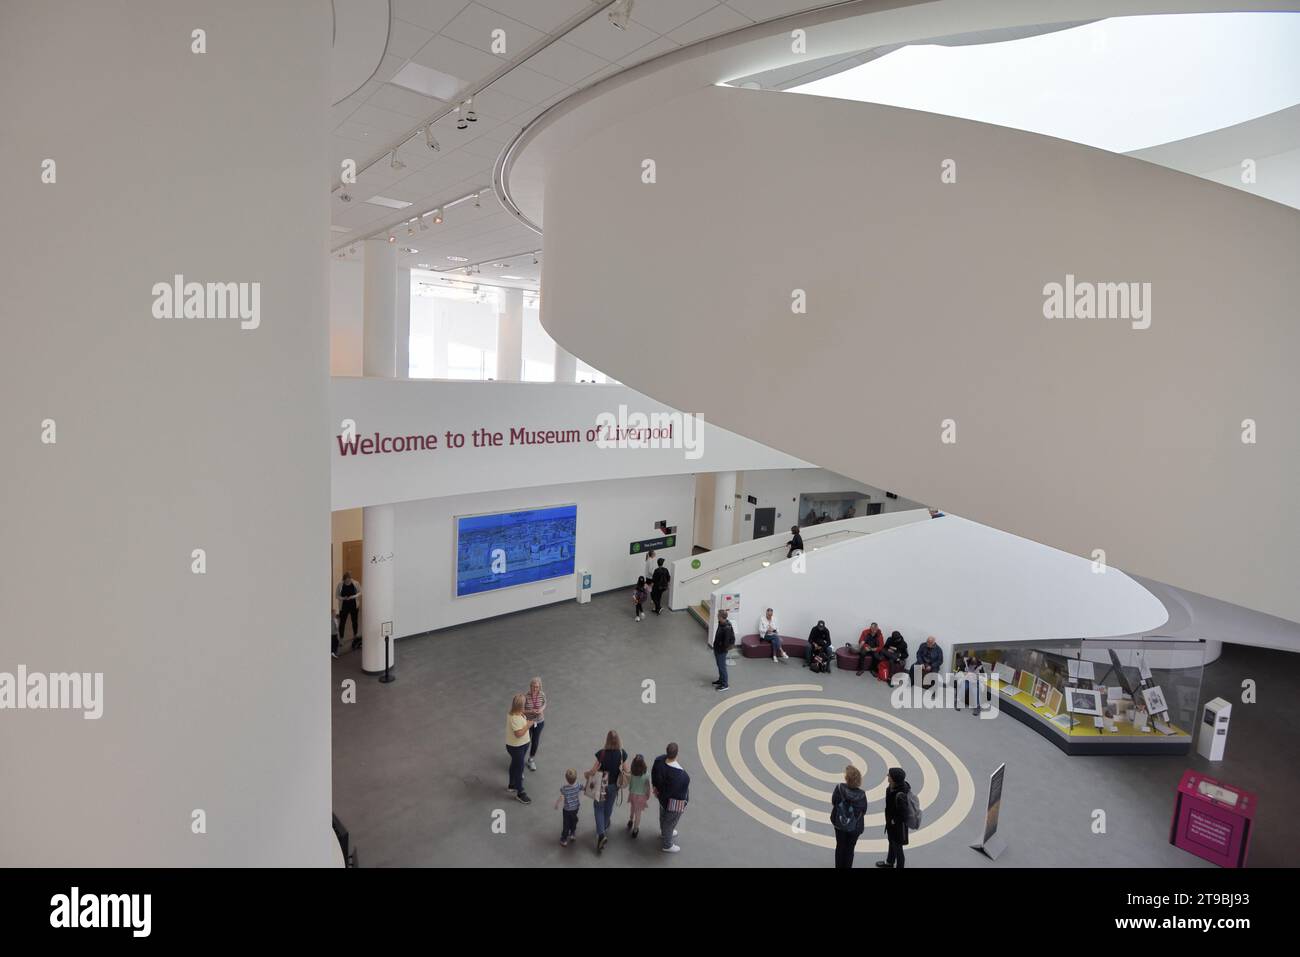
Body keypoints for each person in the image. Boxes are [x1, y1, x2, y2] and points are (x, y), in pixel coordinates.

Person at [585, 731, 628, 854]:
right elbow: (627, 770)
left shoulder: (602, 754)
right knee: (608, 807)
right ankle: (604, 825)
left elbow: (594, 770)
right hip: (614, 785)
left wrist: (587, 775)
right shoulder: (621, 753)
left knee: (598, 808)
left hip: (602, 784)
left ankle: (601, 835)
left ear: (607, 740)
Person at [651, 742, 690, 854]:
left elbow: (654, 775)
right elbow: (682, 794)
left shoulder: (658, 761)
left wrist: (655, 788)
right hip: (673, 804)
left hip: (661, 798)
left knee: (663, 816)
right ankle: (667, 844)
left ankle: (664, 832)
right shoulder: (683, 776)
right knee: (670, 822)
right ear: (677, 754)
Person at [830, 765, 868, 869]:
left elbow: (834, 802)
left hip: (840, 824)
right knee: (850, 849)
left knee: (840, 846)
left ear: (847, 778)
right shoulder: (862, 795)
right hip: (854, 826)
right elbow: (864, 810)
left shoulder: (839, 788)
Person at [877, 767, 912, 868]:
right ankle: (889, 862)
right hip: (891, 824)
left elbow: (904, 814)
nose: (887, 776)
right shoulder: (891, 788)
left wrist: (893, 821)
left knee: (898, 849)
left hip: (897, 827)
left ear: (894, 779)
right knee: (891, 843)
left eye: (889, 775)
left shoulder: (900, 795)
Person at [505, 694, 535, 805]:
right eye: (524, 704)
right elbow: (518, 733)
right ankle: (520, 792)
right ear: (519, 706)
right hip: (516, 747)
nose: (526, 705)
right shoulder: (514, 718)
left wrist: (529, 713)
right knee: (519, 767)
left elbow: (523, 714)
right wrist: (529, 724)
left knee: (514, 764)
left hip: (521, 746)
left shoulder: (517, 713)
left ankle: (511, 785)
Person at [523, 677, 546, 771]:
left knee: (535, 741)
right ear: (530, 686)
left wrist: (541, 709)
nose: (535, 689)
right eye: (533, 687)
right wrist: (530, 711)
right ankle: (521, 759)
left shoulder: (542, 694)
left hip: (539, 722)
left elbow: (545, 703)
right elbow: (522, 710)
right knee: (526, 742)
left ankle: (531, 759)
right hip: (528, 722)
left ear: (540, 687)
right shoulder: (525, 696)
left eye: (537, 687)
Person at [626, 754, 650, 838]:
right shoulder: (646, 775)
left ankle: (630, 820)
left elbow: (629, 781)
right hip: (641, 797)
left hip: (632, 794)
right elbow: (647, 786)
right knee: (638, 814)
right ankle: (635, 829)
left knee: (632, 808)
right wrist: (648, 794)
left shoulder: (632, 773)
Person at [555, 768, 581, 846]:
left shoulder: (564, 788)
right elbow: (584, 788)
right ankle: (572, 834)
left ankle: (564, 839)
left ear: (566, 778)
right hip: (575, 808)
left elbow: (561, 796)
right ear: (576, 778)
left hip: (567, 810)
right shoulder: (578, 785)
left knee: (566, 824)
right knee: (573, 820)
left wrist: (557, 803)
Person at [336, 571, 361, 649]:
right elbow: (337, 596)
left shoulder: (356, 583)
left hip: (354, 605)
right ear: (344, 579)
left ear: (351, 578)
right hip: (344, 606)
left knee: (354, 621)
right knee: (342, 623)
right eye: (346, 580)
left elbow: (360, 592)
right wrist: (343, 598)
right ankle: (341, 639)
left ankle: (355, 635)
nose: (348, 581)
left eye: (349, 579)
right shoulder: (340, 585)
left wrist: (353, 596)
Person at [712, 610, 734, 690]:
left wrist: (722, 648)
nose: (717, 616)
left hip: (721, 650)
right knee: (719, 665)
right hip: (717, 648)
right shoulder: (721, 623)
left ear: (721, 617)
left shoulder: (727, 627)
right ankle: (721, 680)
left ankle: (725, 684)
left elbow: (726, 642)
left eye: (718, 615)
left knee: (722, 667)